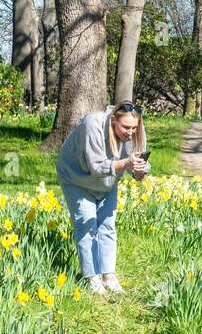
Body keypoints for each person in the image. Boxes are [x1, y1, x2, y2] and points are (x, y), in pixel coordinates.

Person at [55, 101, 149, 295]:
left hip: (108, 181)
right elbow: (97, 168)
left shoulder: (135, 130)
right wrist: (126, 163)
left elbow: (137, 165)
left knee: (107, 225)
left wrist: (140, 171)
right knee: (86, 224)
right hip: (77, 177)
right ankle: (92, 278)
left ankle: (108, 276)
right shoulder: (93, 125)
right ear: (113, 120)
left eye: (134, 127)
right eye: (125, 127)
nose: (130, 132)